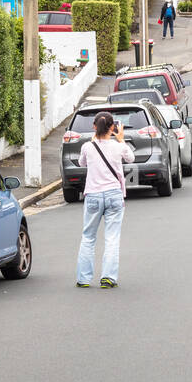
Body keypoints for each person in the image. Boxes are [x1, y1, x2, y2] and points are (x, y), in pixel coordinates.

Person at [76, 111, 135, 289]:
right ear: (113, 127)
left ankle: (84, 279)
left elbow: (81, 163)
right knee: (112, 238)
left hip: (93, 195)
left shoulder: (87, 146)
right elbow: (131, 158)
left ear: (94, 127)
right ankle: (108, 277)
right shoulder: (119, 147)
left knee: (88, 237)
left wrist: (95, 138)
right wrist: (121, 139)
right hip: (114, 195)